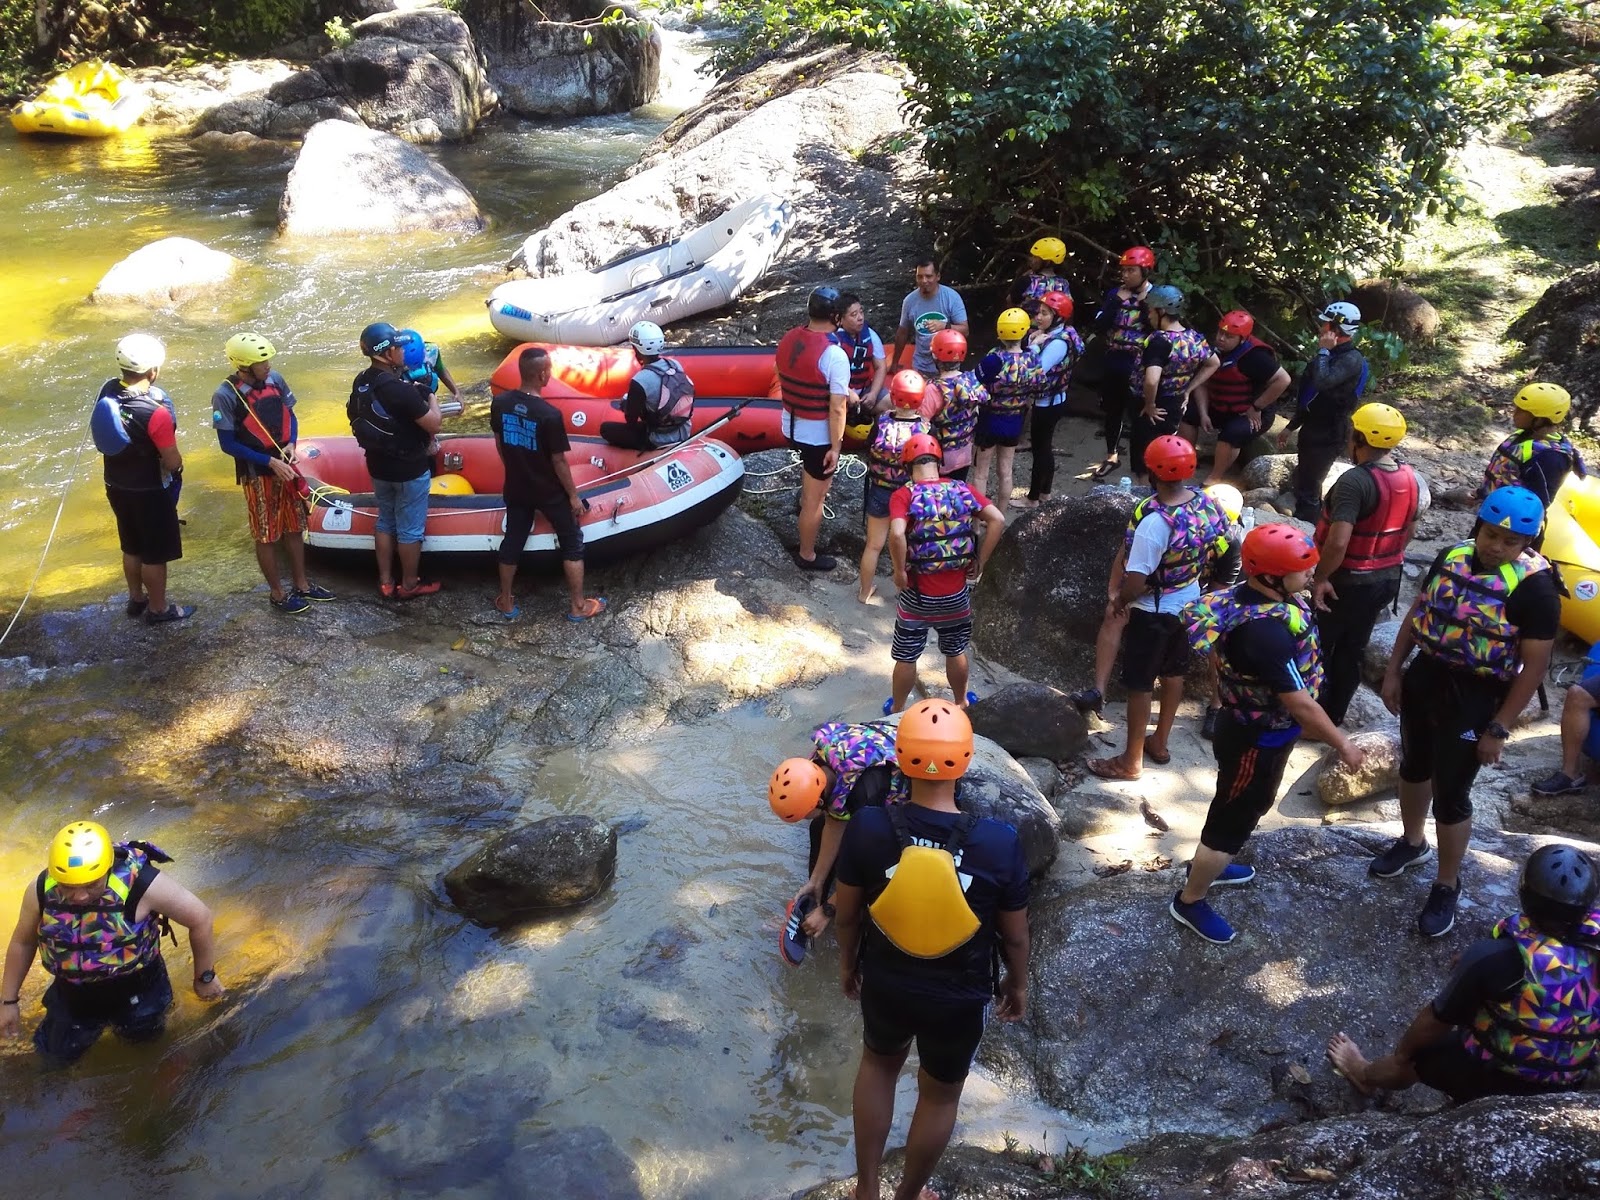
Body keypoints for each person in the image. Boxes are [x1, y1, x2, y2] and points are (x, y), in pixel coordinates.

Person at [833, 700, 1030, 1200]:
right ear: (965, 760)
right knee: (940, 1094)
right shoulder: (999, 841)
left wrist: (847, 965)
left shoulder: (870, 826)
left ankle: (868, 1188)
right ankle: (909, 1195)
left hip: (887, 980)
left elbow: (849, 913)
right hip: (959, 995)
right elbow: (1013, 936)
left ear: (901, 759)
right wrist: (1017, 982)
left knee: (878, 1065)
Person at [1376, 486, 1562, 937]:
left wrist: (1499, 727)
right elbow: (1418, 612)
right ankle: (1412, 842)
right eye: (1491, 534)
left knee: (1453, 791)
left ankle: (1447, 883)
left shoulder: (1537, 590)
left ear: (1527, 543)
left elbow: (1534, 667)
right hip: (1426, 676)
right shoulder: (1450, 556)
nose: (1496, 546)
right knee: (1414, 766)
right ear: (1478, 526)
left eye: (1510, 541)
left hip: (1478, 693)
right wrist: (1394, 671)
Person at [1174, 525, 1364, 943]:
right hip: (1253, 740)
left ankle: (1211, 863)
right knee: (1234, 816)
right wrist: (1343, 743)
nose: (1310, 577)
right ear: (1273, 577)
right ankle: (1190, 898)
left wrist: (1220, 698)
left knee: (1239, 802)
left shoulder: (1252, 600)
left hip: (1255, 731)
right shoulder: (1265, 633)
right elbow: (1299, 702)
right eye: (1303, 571)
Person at [1329, 843, 1600, 1102]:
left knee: (1415, 1058)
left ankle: (1363, 1074)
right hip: (1571, 1080)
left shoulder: (1496, 958)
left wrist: (1401, 1055)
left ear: (1523, 893)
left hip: (1500, 1078)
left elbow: (1436, 1020)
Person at [1, 821, 224, 1064]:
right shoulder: (41, 888)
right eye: (68, 887)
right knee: (53, 1061)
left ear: (108, 868)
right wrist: (8, 1001)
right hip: (73, 995)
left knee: (147, 1055)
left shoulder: (143, 885)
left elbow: (200, 919)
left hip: (139, 989)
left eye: (91, 885)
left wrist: (205, 978)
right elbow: (23, 942)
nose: (80, 896)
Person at [1085, 436, 1230, 781]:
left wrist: (1121, 600)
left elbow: (1136, 581)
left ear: (1152, 473)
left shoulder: (1155, 522)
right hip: (1190, 599)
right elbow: (1222, 544)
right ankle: (1160, 742)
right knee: (1174, 673)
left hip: (1155, 609)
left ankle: (1130, 760)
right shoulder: (1207, 504)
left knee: (1140, 683)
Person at [212, 332, 336, 616]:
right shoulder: (225, 395)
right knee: (266, 533)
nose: (268, 365)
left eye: (267, 359)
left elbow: (289, 414)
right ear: (244, 365)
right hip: (258, 471)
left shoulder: (275, 380)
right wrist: (269, 462)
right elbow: (227, 444)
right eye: (261, 361)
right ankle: (277, 593)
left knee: (294, 525)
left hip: (285, 463)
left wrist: (292, 442)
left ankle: (302, 584)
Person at [1311, 402, 1419, 725]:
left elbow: (1339, 540)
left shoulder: (1354, 483)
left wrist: (1320, 578)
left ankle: (1313, 716)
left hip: (1347, 582)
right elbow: (1409, 530)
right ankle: (1334, 715)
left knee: (1320, 646)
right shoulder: (1410, 478)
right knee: (1353, 648)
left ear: (1357, 437)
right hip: (1385, 580)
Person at [767, 721, 909, 955]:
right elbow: (834, 818)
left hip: (897, 788)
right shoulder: (818, 767)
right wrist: (816, 881)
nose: (803, 819)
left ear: (820, 801)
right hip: (872, 756)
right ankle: (818, 898)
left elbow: (867, 867)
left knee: (874, 867)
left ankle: (835, 914)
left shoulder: (864, 794)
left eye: (804, 814)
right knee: (817, 828)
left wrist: (829, 910)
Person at [887, 435, 1006, 713]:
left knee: (906, 656)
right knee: (955, 650)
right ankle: (961, 703)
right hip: (956, 595)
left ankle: (898, 710)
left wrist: (898, 571)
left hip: (918, 594)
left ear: (907, 467)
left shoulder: (905, 494)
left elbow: (896, 534)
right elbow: (997, 520)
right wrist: (980, 561)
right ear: (939, 463)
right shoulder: (962, 488)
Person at [490, 346, 606, 623]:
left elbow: (498, 440)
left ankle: (506, 601)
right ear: (543, 374)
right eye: (549, 370)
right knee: (571, 543)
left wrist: (515, 468)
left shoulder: (501, 403)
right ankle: (577, 606)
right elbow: (560, 463)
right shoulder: (549, 415)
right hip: (549, 491)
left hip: (517, 485)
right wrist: (574, 497)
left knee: (513, 540)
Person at [95, 333, 192, 625]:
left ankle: (137, 599)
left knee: (131, 544)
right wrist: (178, 466)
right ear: (153, 371)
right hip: (149, 489)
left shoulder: (107, 391)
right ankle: (159, 609)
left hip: (116, 484)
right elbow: (172, 460)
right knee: (154, 552)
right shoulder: (155, 412)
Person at [348, 321, 443, 598]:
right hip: (409, 469)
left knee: (385, 521)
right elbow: (434, 424)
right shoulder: (398, 390)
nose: (403, 351)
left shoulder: (362, 381)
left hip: (378, 465)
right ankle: (410, 584)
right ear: (387, 354)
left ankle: (386, 580)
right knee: (411, 529)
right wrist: (432, 397)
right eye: (398, 348)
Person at [778, 286, 853, 571]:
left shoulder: (789, 337)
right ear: (835, 316)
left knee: (809, 480)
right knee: (815, 498)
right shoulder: (835, 355)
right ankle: (806, 554)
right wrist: (836, 446)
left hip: (791, 425)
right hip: (817, 435)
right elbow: (837, 408)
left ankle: (803, 514)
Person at [1280, 302, 1370, 522]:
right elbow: (1310, 395)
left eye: (1325, 323)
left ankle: (1308, 527)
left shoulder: (1351, 359)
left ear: (1336, 329)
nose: (1321, 327)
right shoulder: (1331, 355)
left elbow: (1322, 382)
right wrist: (1291, 426)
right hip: (1313, 426)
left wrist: (1323, 351)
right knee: (1304, 479)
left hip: (1330, 432)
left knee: (1310, 485)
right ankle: (1305, 518)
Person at [1181, 310, 1292, 484]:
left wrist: (1257, 407)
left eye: (1229, 336)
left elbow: (1284, 380)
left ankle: (1215, 477)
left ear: (1242, 338)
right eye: (1220, 333)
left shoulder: (1256, 356)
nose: (1221, 339)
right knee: (1187, 414)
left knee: (1232, 433)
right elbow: (1202, 382)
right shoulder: (1213, 348)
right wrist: (1203, 414)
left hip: (1251, 411)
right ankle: (1185, 461)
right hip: (1219, 404)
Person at [1129, 285, 1219, 486]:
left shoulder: (1159, 341)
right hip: (1176, 402)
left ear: (1161, 311)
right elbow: (1214, 363)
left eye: (1151, 310)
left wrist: (1150, 405)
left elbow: (1152, 379)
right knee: (1164, 452)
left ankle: (1144, 497)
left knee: (1145, 455)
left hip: (1153, 406)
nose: (1149, 315)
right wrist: (1187, 389)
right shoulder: (1194, 337)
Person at [858, 370, 933, 603]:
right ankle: (905, 593)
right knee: (909, 545)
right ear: (920, 399)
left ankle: (864, 593)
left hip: (880, 490)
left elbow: (868, 448)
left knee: (873, 545)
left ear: (893, 396)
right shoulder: (924, 429)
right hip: (909, 494)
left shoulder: (881, 422)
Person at [1088, 246, 1155, 480]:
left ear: (1145, 272)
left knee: (1138, 415)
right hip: (1115, 358)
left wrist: (1145, 305)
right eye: (1124, 271)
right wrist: (1116, 302)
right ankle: (1111, 456)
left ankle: (1140, 468)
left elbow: (1157, 330)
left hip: (1139, 363)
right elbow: (1099, 326)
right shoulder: (1115, 294)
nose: (1125, 275)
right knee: (1112, 410)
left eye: (1131, 271)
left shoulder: (1157, 297)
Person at [1015, 291, 1084, 509]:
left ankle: (1033, 498)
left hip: (1048, 403)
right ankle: (1045, 493)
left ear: (1058, 318)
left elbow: (1036, 371)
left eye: (1045, 314)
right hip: (1053, 399)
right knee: (1045, 447)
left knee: (1040, 448)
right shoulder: (1060, 334)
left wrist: (1033, 346)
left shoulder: (1057, 343)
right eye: (1039, 312)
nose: (1038, 317)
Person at [973, 307, 1043, 507]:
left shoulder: (993, 359)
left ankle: (978, 522)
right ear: (1025, 331)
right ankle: (1000, 517)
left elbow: (974, 382)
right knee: (1005, 471)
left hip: (989, 420)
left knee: (981, 474)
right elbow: (1040, 385)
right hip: (1014, 421)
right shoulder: (1032, 359)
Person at [1477, 382, 1586, 509]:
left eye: (1521, 410)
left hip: (1510, 520)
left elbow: (1539, 503)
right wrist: (1480, 495)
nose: (1514, 413)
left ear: (1540, 419)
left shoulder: (1551, 458)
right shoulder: (1524, 435)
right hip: (1492, 508)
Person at [599, 320, 695, 451]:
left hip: (659, 439)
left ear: (637, 349)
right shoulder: (674, 364)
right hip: (683, 430)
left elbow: (631, 421)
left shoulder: (640, 381)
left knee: (605, 429)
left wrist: (626, 404)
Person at [1198, 482, 1246, 739]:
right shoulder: (1189, 522)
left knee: (1214, 631)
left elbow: (1217, 595)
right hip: (1189, 580)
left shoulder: (1231, 542)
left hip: (1222, 588)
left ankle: (1217, 703)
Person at [891, 258, 970, 379]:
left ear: (937, 276)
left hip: (948, 366)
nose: (924, 281)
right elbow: (902, 333)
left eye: (928, 276)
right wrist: (895, 362)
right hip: (922, 366)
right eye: (920, 277)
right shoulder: (909, 301)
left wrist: (944, 326)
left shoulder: (951, 297)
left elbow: (965, 331)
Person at [928, 329, 985, 483]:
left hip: (941, 457)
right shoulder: (972, 380)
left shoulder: (933, 390)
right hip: (965, 451)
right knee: (959, 492)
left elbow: (920, 425)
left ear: (935, 356)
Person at [834, 292, 888, 417]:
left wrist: (873, 394)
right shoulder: (834, 341)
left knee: (891, 402)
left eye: (861, 312)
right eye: (854, 315)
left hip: (864, 389)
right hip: (840, 392)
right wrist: (847, 392)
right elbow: (827, 377)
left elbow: (881, 367)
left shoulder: (870, 335)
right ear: (840, 320)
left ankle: (865, 414)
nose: (860, 318)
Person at [395, 328, 461, 406]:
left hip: (428, 391)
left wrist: (456, 392)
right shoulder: (393, 363)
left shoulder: (431, 352)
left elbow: (441, 370)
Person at [1009, 235, 1072, 305]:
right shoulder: (1064, 284)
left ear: (1047, 262)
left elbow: (1011, 301)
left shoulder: (1026, 281)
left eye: (1036, 257)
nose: (1031, 259)